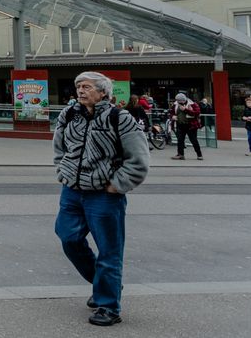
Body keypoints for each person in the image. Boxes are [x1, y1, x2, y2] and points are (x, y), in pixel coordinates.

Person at [53, 71, 150, 326]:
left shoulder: (120, 118)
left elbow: (139, 158)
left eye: (87, 87)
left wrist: (117, 185)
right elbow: (59, 147)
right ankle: (104, 284)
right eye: (78, 86)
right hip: (72, 191)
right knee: (68, 238)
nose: (81, 91)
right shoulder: (69, 114)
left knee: (109, 250)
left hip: (104, 195)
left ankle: (108, 305)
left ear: (103, 92)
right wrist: (62, 170)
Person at [169, 93, 203, 161]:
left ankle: (199, 154)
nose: (179, 102)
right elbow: (171, 112)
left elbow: (197, 113)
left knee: (193, 140)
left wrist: (185, 110)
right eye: (178, 101)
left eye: (181, 101)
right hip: (180, 124)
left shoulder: (192, 104)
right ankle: (180, 154)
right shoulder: (175, 104)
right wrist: (172, 116)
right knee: (180, 140)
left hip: (190, 125)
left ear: (184, 100)